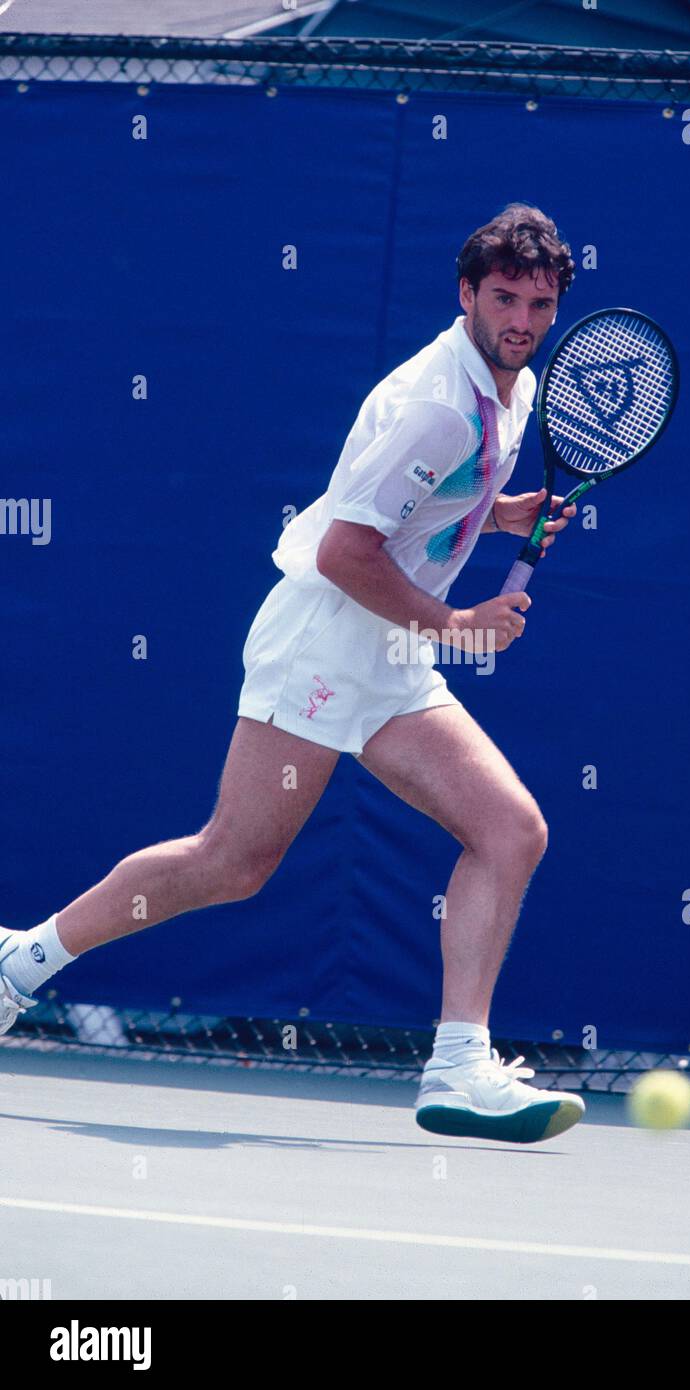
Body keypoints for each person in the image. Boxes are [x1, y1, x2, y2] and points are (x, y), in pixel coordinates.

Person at [0, 204, 585, 1144]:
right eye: (504, 298)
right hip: (324, 640)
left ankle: (458, 1068)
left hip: (389, 656)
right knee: (232, 861)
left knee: (511, 831)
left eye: (540, 302)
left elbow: (425, 510)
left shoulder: (507, 386)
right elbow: (347, 552)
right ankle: (20, 965)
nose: (521, 318)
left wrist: (505, 515)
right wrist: (459, 624)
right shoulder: (433, 404)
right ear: (467, 294)